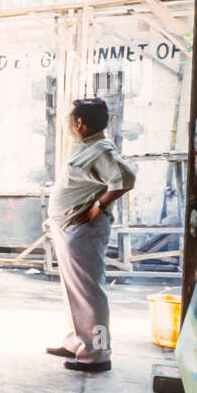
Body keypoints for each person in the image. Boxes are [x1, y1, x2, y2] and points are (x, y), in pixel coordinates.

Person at [45, 98, 138, 373]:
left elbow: (126, 178)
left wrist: (99, 206)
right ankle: (79, 342)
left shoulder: (100, 149)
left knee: (90, 293)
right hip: (69, 228)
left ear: (79, 123)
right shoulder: (88, 146)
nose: (69, 125)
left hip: (83, 230)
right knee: (76, 292)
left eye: (70, 120)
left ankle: (97, 355)